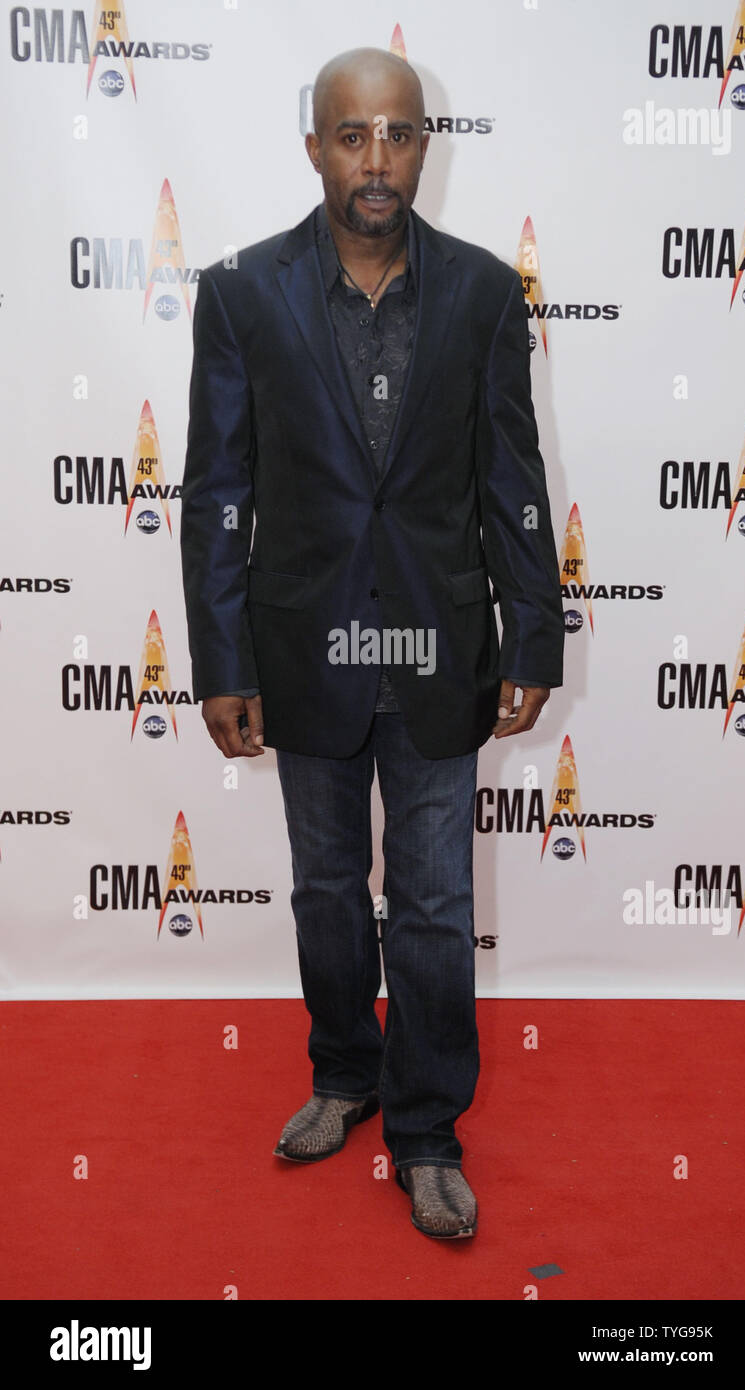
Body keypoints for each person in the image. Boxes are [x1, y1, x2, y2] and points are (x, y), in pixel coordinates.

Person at [180, 46, 564, 1240]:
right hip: (306, 647)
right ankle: (345, 1072)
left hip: (443, 642)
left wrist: (533, 632)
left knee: (438, 900)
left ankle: (427, 1128)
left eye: (399, 135)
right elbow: (216, 487)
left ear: (424, 149)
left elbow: (512, 478)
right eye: (354, 136)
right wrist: (224, 659)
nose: (378, 160)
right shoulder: (243, 293)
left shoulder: (487, 295)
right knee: (330, 889)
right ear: (314, 148)